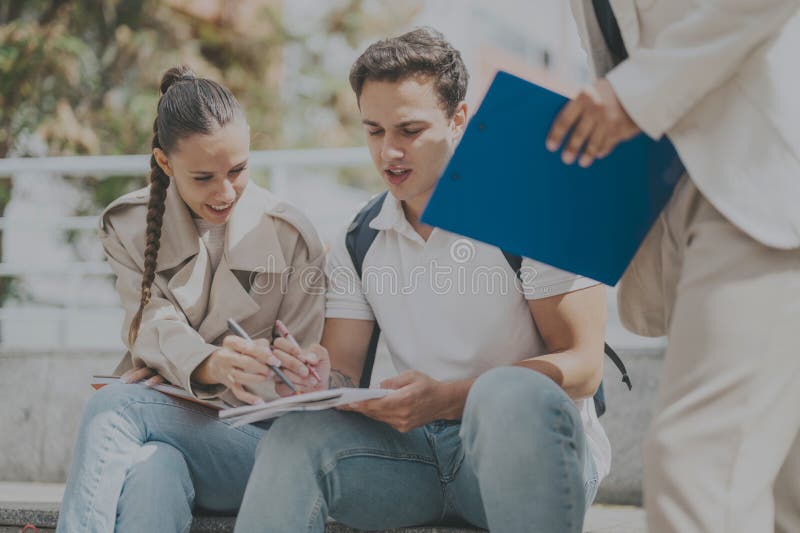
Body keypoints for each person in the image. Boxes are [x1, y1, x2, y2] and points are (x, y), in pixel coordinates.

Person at [234, 27, 611, 533]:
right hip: (418, 456)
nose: (389, 152)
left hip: (526, 456)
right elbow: (344, 371)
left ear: (459, 119)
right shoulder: (358, 238)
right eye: (374, 131)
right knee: (296, 435)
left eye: (409, 131)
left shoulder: (532, 206)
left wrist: (450, 397)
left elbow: (583, 367)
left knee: (506, 395)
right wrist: (312, 379)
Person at [548, 2, 800, 532]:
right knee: (783, 487)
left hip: (754, 176)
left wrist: (633, 93)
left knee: (698, 469)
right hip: (675, 186)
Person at [57, 66, 325, 533]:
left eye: (238, 170)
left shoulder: (291, 236)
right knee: (152, 470)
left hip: (266, 453)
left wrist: (280, 369)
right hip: (172, 437)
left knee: (117, 404)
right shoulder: (129, 226)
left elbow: (304, 379)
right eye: (203, 177)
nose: (225, 193)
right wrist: (210, 364)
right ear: (164, 163)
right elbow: (149, 322)